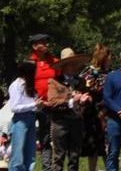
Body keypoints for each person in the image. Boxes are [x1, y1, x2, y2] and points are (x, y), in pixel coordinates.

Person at [48, 48, 91, 171]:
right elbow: (52, 102)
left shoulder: (81, 81)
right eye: (72, 64)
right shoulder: (54, 82)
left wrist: (85, 100)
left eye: (75, 64)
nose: (75, 67)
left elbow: (88, 97)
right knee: (59, 156)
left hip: (77, 121)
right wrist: (72, 101)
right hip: (60, 122)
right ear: (64, 66)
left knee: (74, 156)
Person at [80, 44, 111, 171]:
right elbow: (85, 89)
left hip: (107, 113)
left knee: (108, 146)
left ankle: (110, 168)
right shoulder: (89, 71)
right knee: (93, 146)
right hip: (92, 114)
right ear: (103, 57)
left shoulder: (109, 72)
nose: (111, 59)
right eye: (109, 57)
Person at [29, 34, 58, 171]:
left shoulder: (53, 61)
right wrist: (34, 101)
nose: (46, 45)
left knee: (46, 138)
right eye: (42, 42)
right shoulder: (29, 63)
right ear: (35, 46)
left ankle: (47, 168)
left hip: (49, 106)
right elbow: (24, 85)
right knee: (28, 137)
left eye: (46, 42)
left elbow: (60, 81)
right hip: (33, 105)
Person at [8, 60, 42, 171]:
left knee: (30, 155)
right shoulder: (16, 85)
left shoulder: (31, 87)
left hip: (31, 118)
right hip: (20, 121)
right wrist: (34, 104)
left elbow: (34, 105)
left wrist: (39, 105)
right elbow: (14, 107)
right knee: (17, 157)